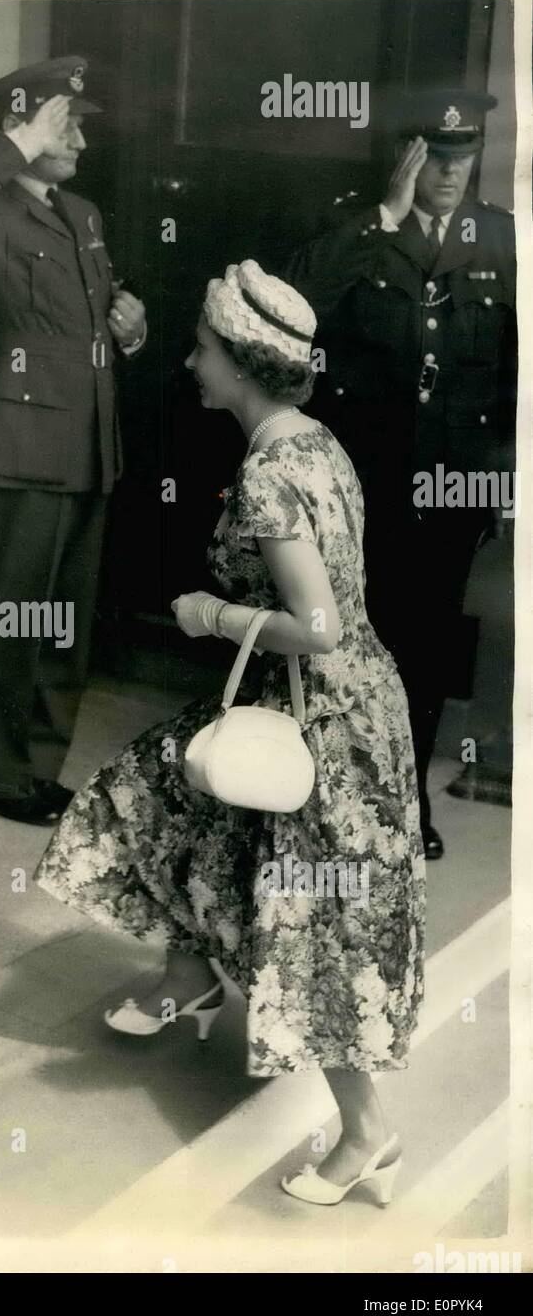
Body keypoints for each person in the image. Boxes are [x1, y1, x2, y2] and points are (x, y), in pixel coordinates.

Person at [34, 261, 426, 1206]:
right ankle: (191, 970)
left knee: (316, 925)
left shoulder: (269, 478)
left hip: (323, 722)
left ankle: (366, 1132)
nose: (190, 362)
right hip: (341, 703)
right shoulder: (315, 442)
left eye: (204, 350)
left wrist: (210, 615)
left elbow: (320, 624)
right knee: (162, 799)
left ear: (244, 366)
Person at [283, 87, 516, 861]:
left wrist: (502, 483)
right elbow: (297, 302)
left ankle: (404, 802)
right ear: (407, 158)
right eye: (435, 158)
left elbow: (516, 379)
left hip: (452, 489)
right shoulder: (360, 227)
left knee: (421, 646)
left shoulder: (502, 242)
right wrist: (383, 213)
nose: (450, 174)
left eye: (463, 157)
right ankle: (334, 798)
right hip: (365, 488)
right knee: (346, 642)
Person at [0, 57, 147, 825]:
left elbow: (92, 311)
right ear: (28, 124)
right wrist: (18, 143)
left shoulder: (81, 214)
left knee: (64, 621)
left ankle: (40, 766)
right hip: (19, 445)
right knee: (9, 615)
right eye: (68, 121)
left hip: (86, 443)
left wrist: (131, 326)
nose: (81, 137)